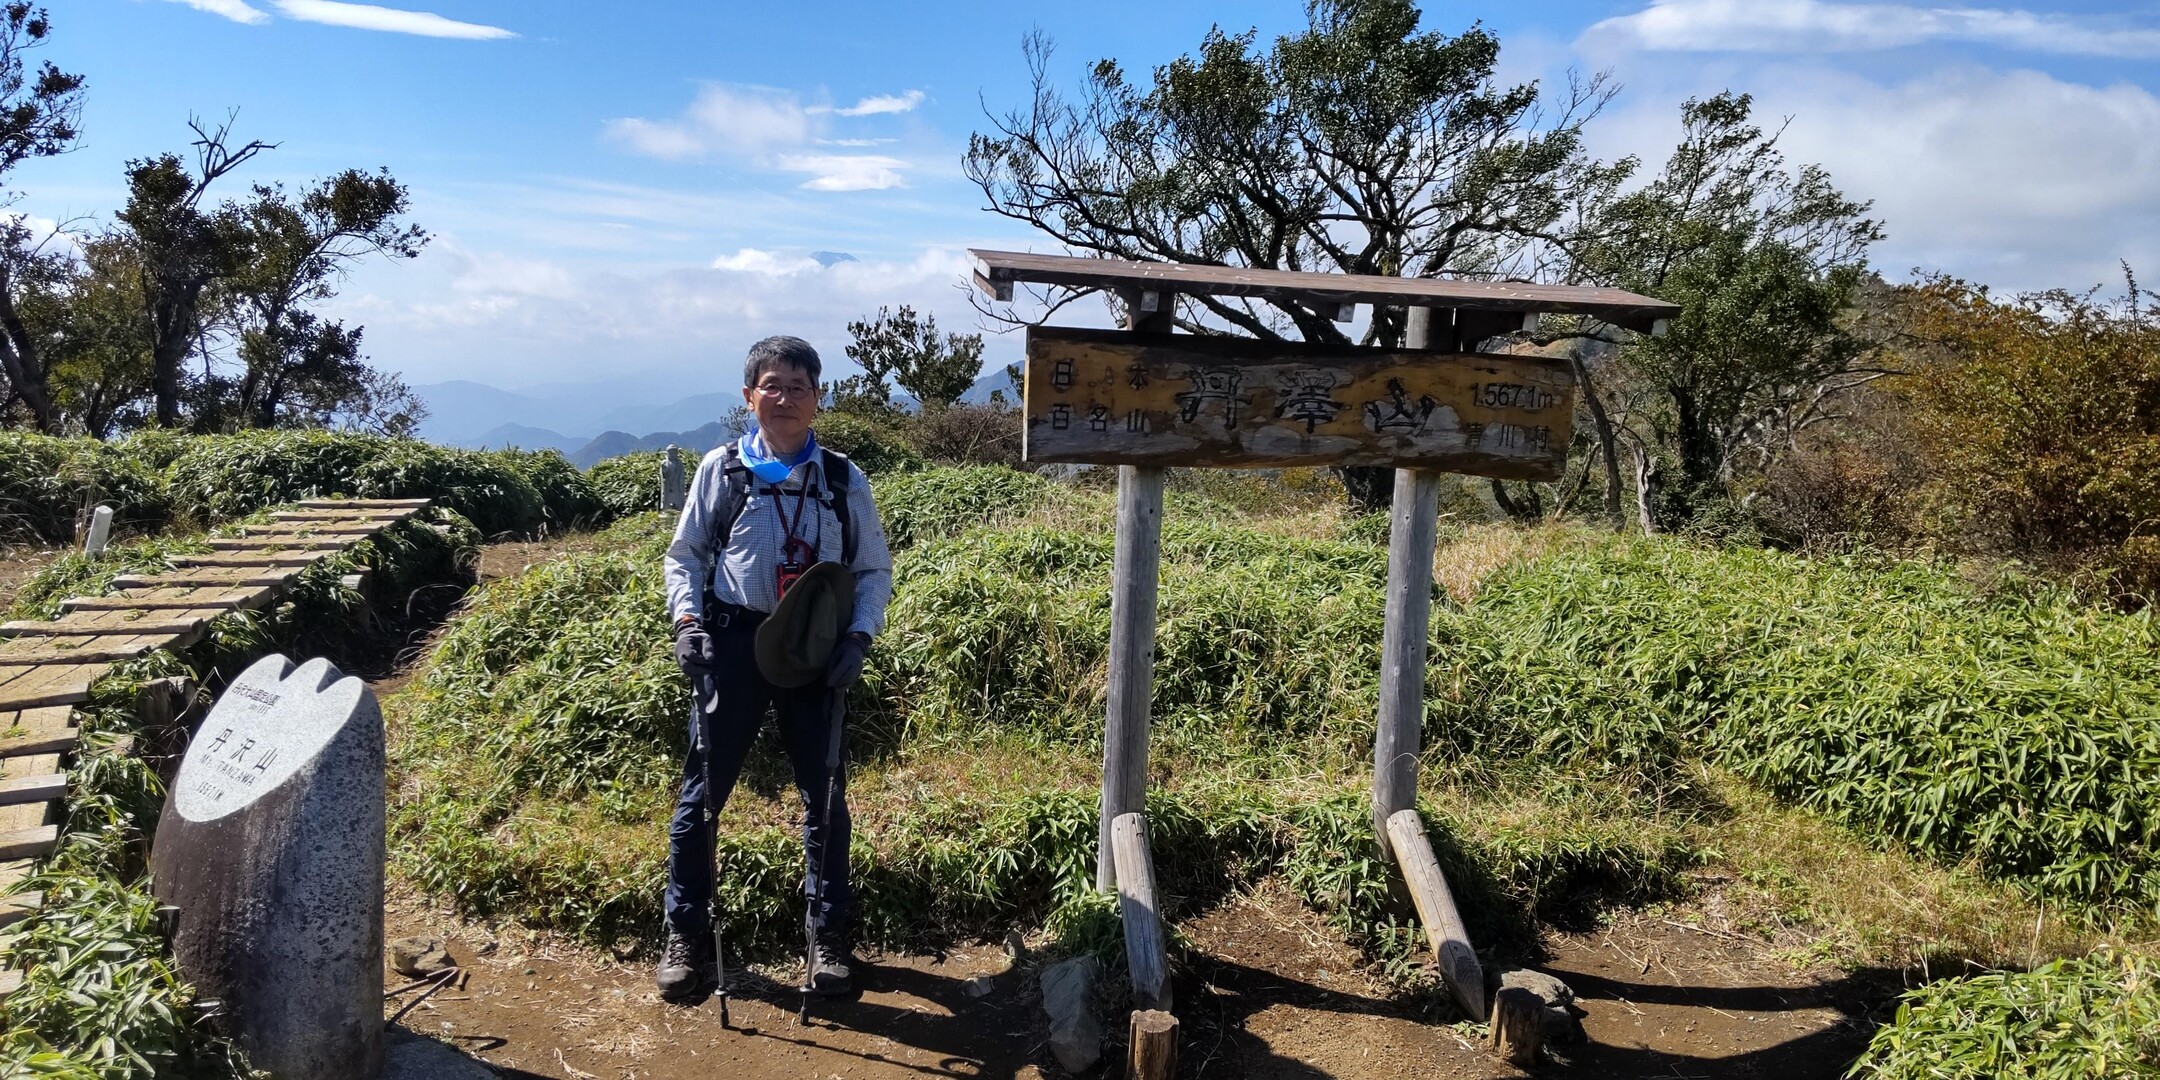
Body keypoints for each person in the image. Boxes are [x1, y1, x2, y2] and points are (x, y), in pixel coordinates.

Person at [657, 335, 892, 1003]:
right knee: (702, 798)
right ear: (748, 396)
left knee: (825, 799)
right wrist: (686, 625)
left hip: (815, 652)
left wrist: (858, 638)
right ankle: (685, 935)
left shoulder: (843, 479)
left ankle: (827, 937)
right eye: (772, 384)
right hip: (732, 644)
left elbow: (873, 568)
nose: (784, 397)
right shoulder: (721, 470)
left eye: (798, 385)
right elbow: (687, 556)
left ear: (819, 397)